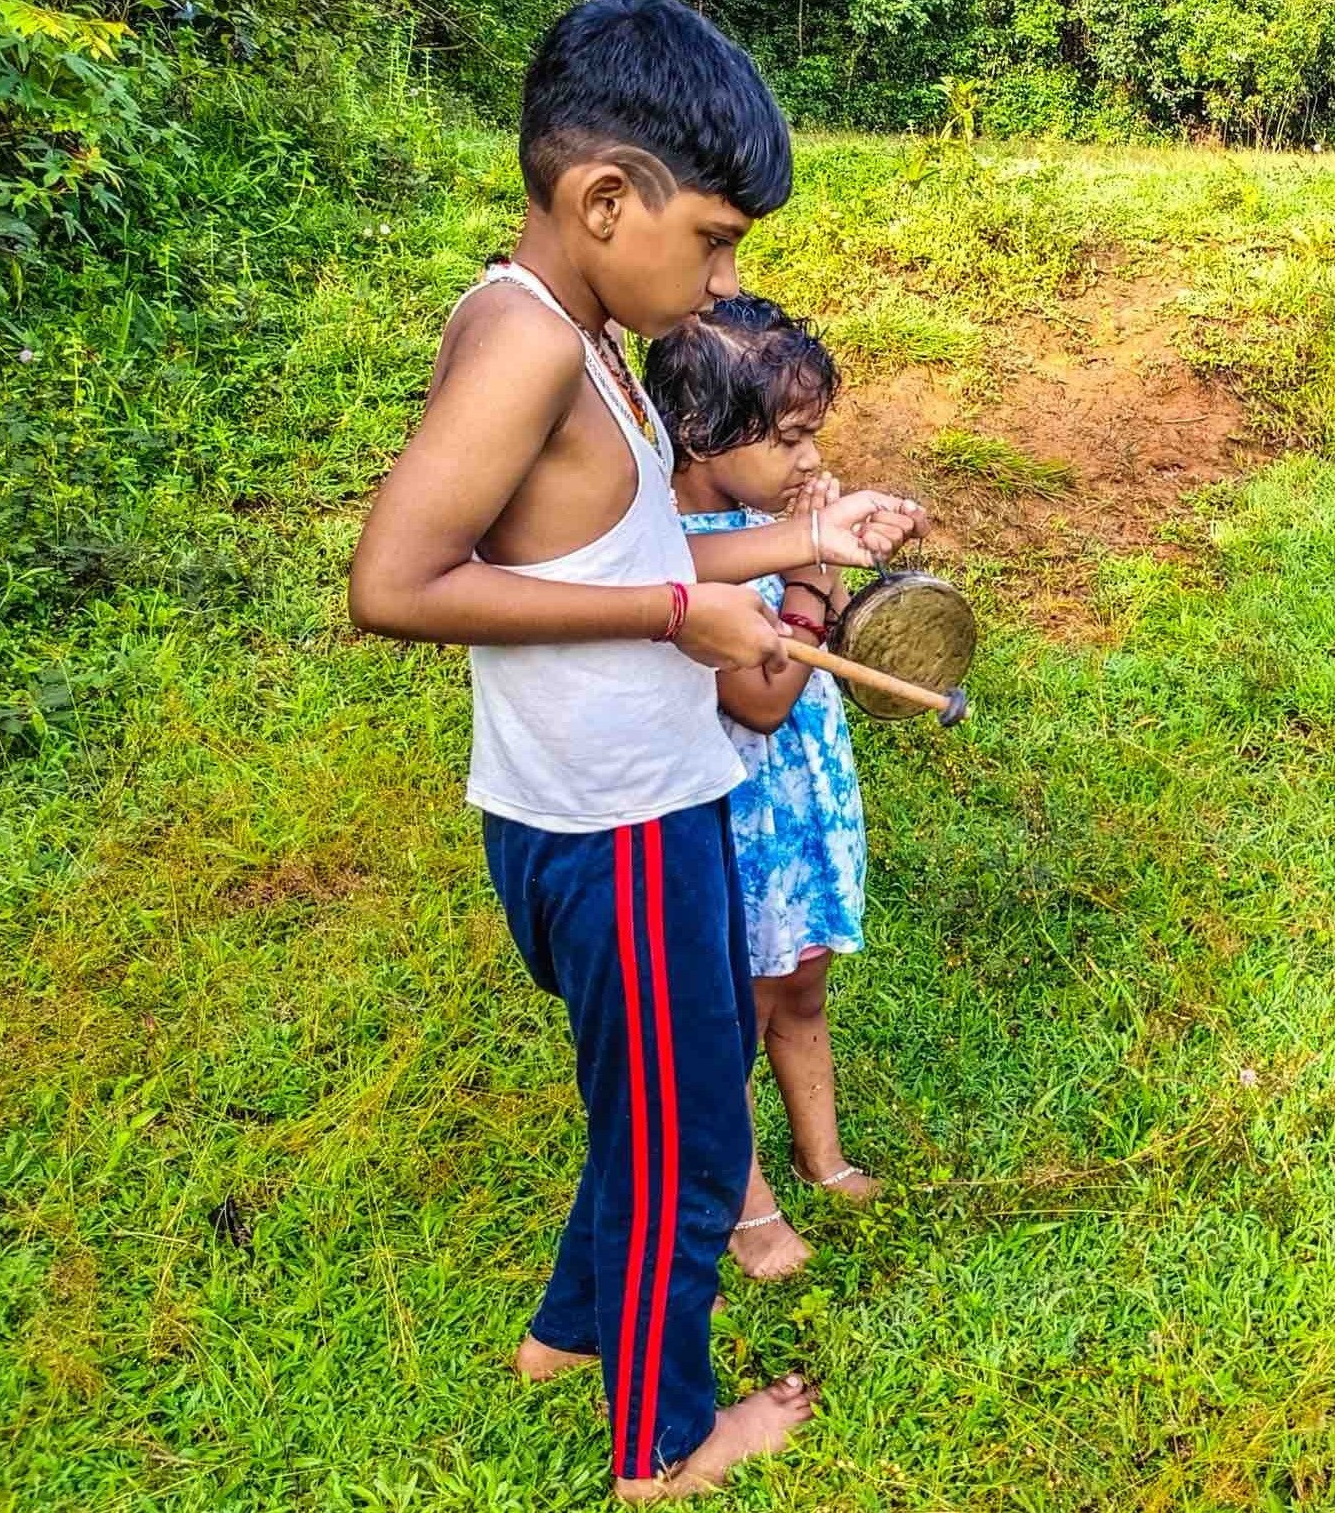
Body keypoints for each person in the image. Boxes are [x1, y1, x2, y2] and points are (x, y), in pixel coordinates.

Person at [345, 1, 926, 1497]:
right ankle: (664, 1443)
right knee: (688, 1151)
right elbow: (397, 581)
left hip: (612, 811)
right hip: (616, 833)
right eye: (717, 239)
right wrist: (682, 613)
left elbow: (635, 541)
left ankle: (568, 1331)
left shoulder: (589, 334)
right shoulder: (527, 346)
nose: (726, 277)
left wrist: (802, 537)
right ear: (606, 199)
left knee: (646, 1097)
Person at [647, 296, 911, 1283]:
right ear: (703, 436)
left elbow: (827, 638)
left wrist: (832, 556)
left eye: (814, 437)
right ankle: (743, 1207)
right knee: (732, 1022)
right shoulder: (680, 556)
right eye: (790, 437)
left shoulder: (766, 518)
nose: (810, 460)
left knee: (802, 983)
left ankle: (824, 1157)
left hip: (803, 798)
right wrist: (808, 570)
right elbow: (757, 700)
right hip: (738, 819)